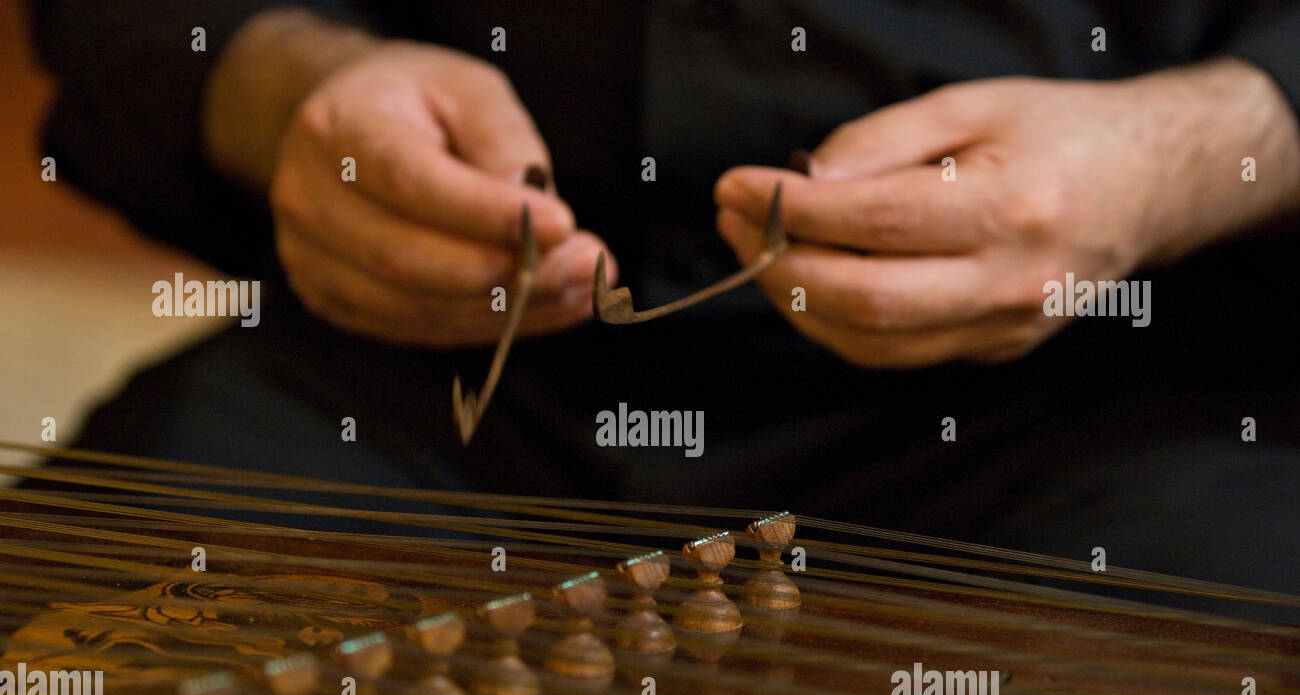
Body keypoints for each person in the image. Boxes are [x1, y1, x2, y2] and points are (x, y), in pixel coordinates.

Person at [25, 2, 1300, 597]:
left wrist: (1190, 150)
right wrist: (289, 87)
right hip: (437, 380)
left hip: (1129, 390)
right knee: (69, 679)